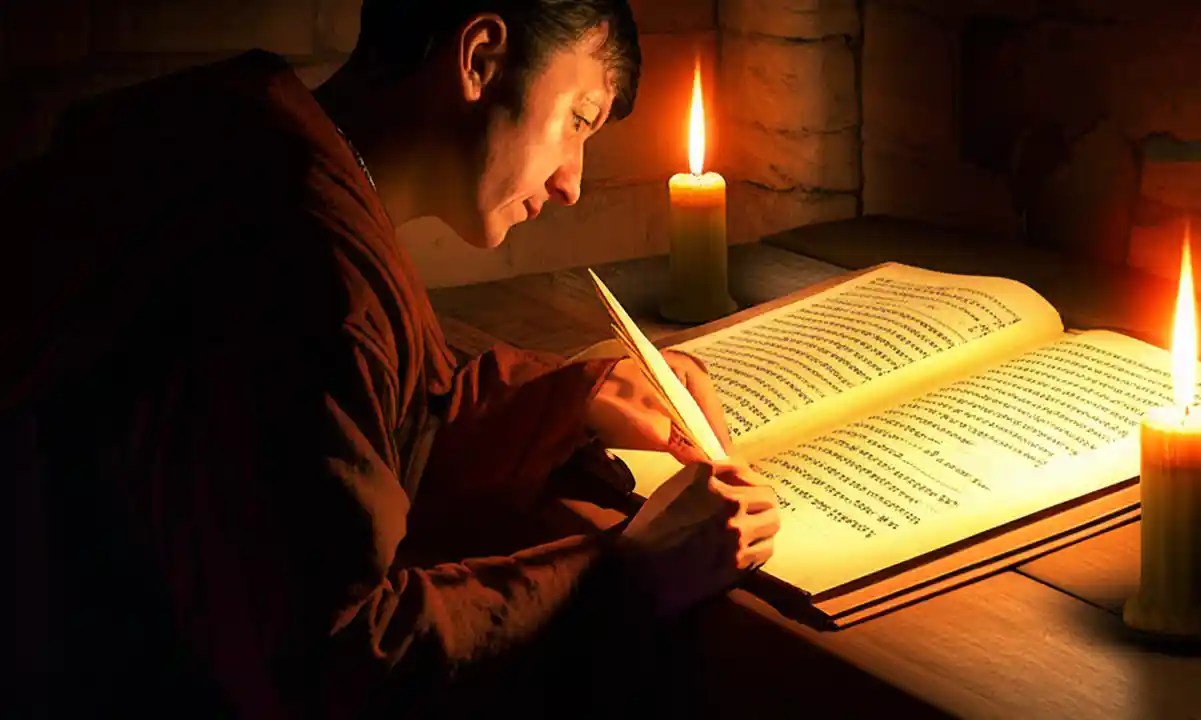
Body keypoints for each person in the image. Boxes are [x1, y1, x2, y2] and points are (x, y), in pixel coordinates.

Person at [6, 0, 781, 717]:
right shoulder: (300, 262)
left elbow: (377, 420)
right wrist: (629, 571)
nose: (574, 183)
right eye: (578, 119)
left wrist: (570, 397)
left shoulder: (259, 133)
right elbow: (335, 659)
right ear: (478, 58)